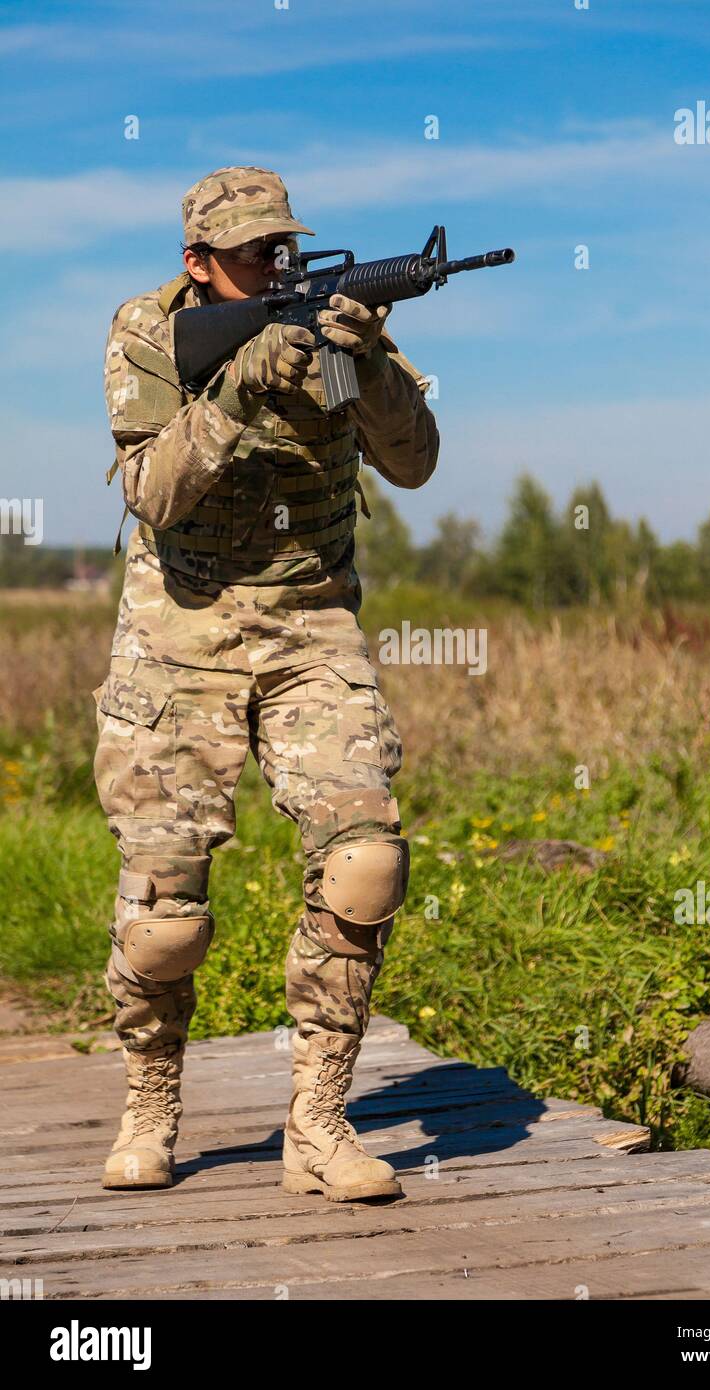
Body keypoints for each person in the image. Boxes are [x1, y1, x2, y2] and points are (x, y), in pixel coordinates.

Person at [94, 165, 438, 1202]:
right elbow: (153, 489)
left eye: (282, 249)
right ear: (197, 263)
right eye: (251, 256)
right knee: (164, 914)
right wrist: (242, 384)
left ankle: (318, 1124)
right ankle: (150, 1103)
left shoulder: (336, 329)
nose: (273, 267)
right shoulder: (149, 333)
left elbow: (415, 463)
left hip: (310, 623)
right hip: (178, 629)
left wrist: (364, 358)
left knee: (365, 864)